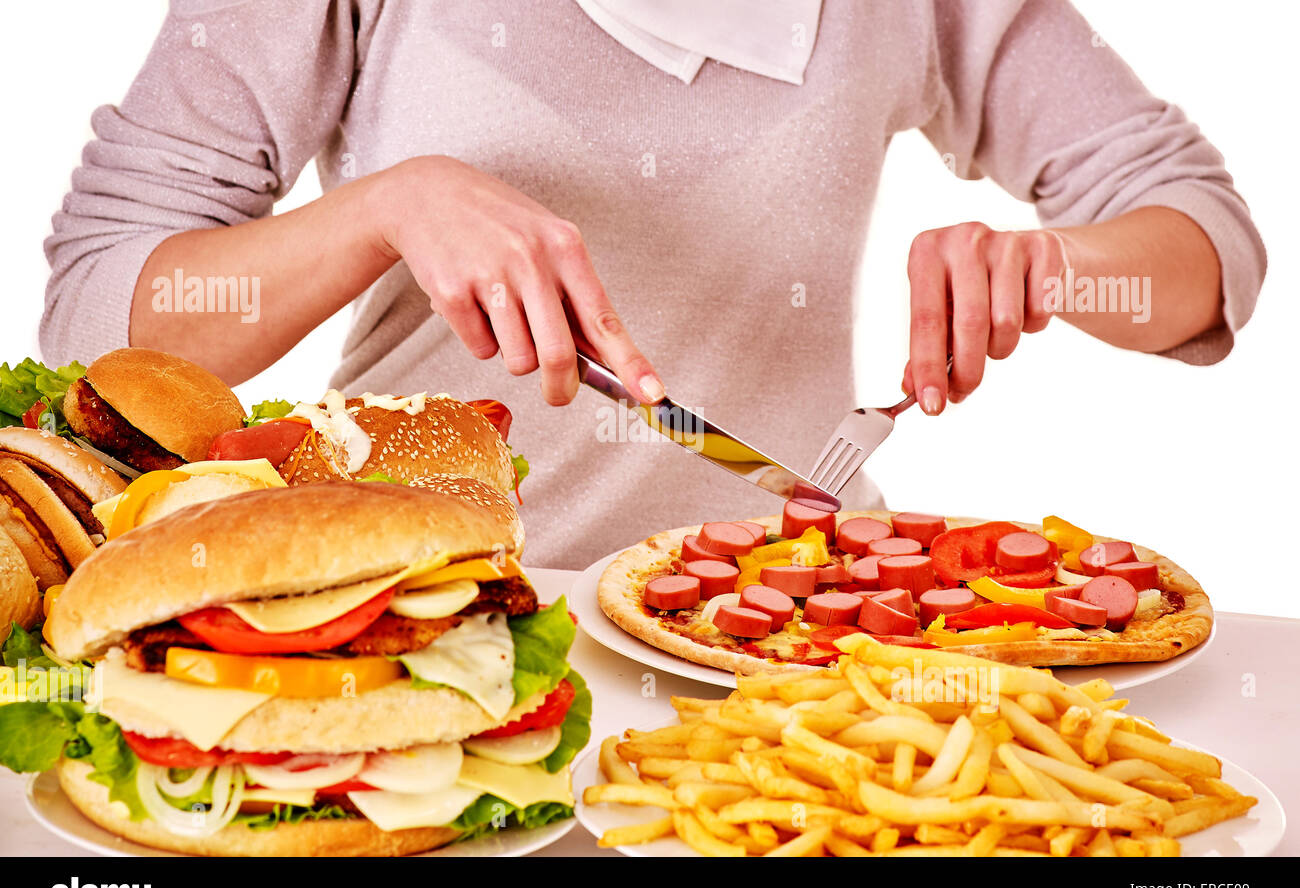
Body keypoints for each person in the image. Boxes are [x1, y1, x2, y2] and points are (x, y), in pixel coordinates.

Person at [41, 1, 1265, 567]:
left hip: (780, 628)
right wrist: (382, 208)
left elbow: (1209, 257)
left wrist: (1062, 268)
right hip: (429, 617)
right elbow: (98, 313)